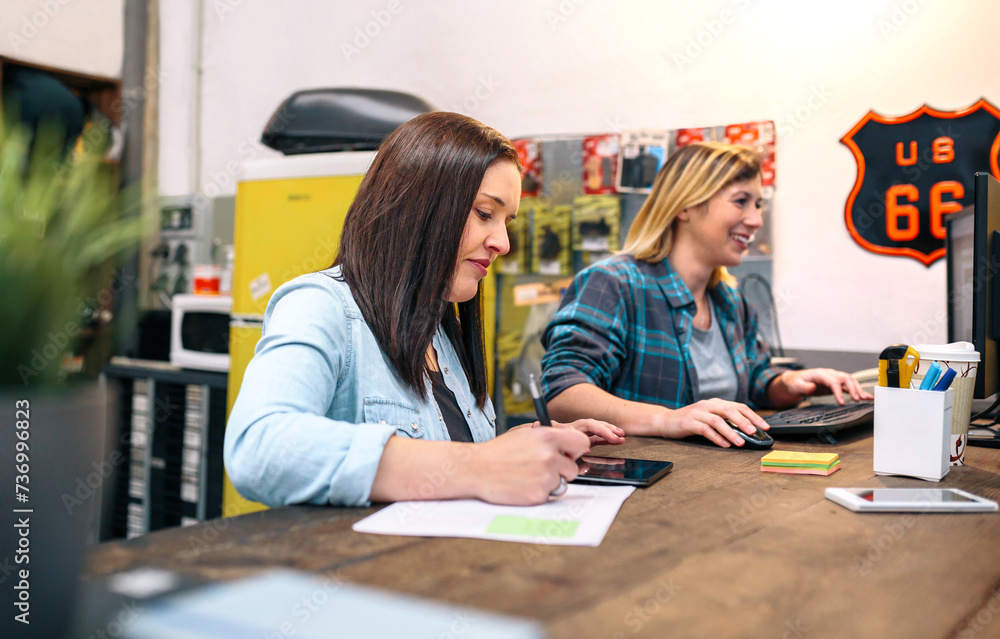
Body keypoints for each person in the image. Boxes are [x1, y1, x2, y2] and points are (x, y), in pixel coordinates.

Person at [225, 112, 624, 508]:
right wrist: (481, 464)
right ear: (418, 206)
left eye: (507, 222)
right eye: (485, 213)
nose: (502, 242)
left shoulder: (440, 328)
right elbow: (259, 447)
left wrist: (530, 448)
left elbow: (447, 454)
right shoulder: (321, 305)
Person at [540, 142, 871, 449]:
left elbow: (754, 379)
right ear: (685, 206)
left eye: (757, 204)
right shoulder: (613, 283)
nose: (755, 219)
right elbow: (563, 392)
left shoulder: (730, 301)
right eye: (741, 201)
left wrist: (788, 382)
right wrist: (668, 418)